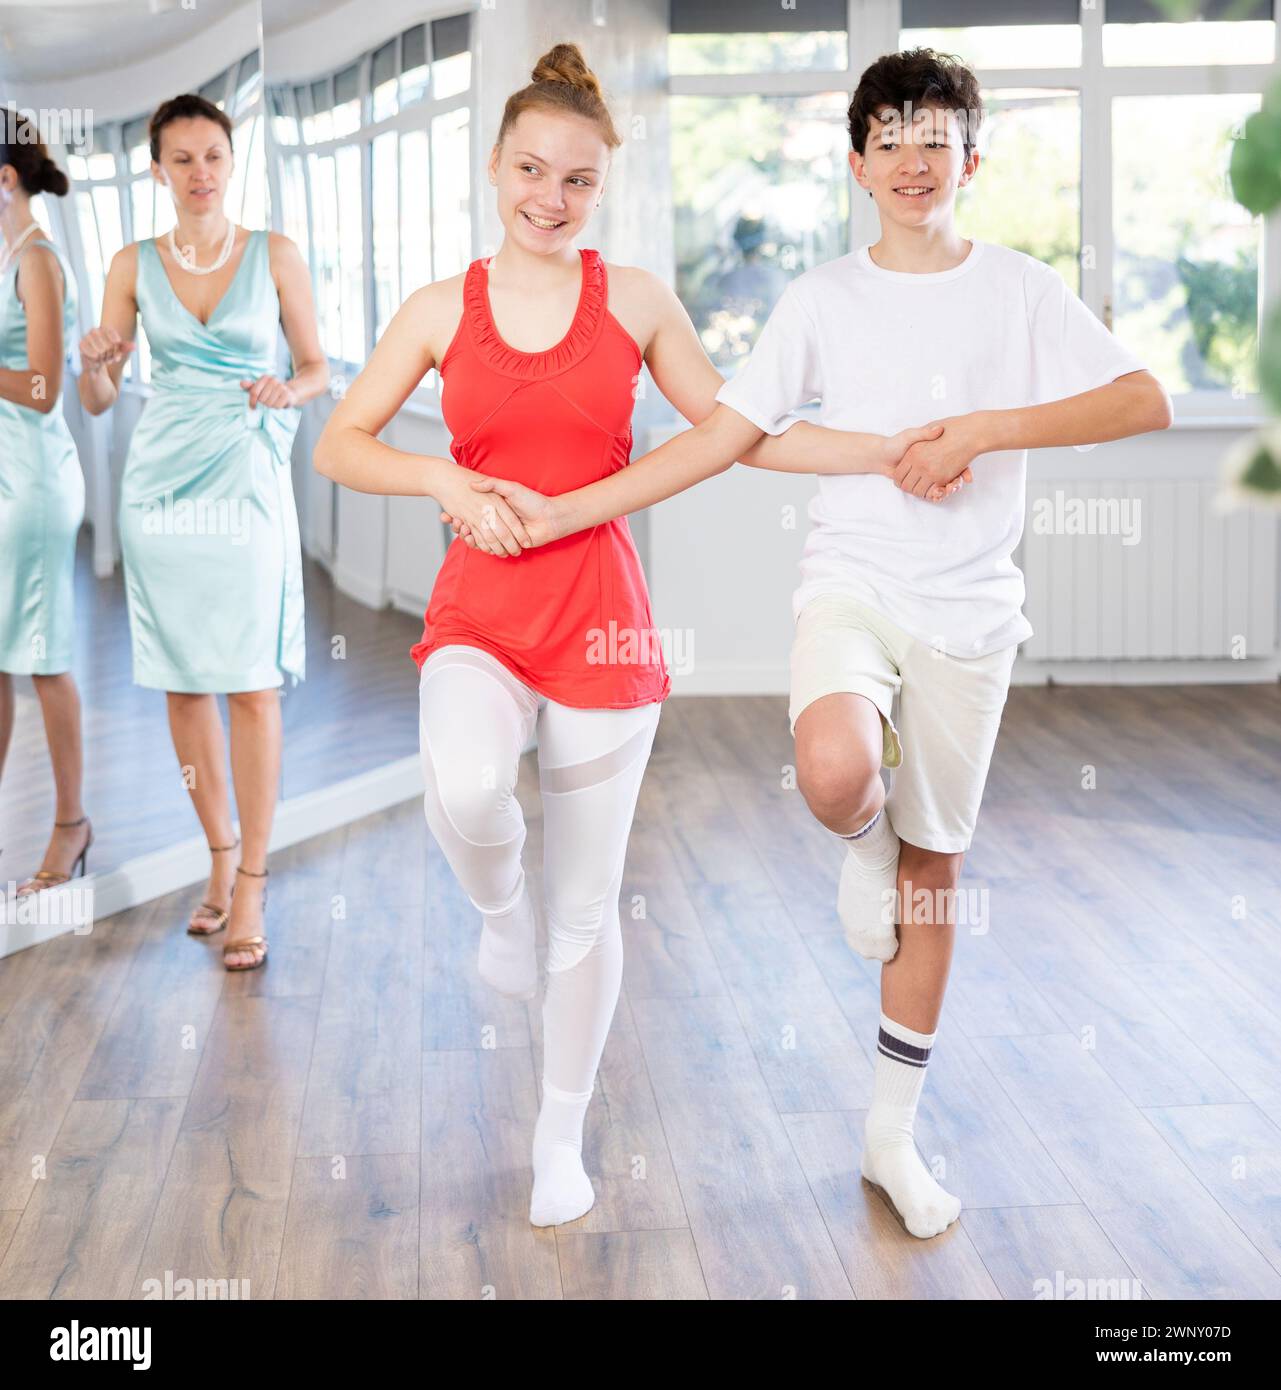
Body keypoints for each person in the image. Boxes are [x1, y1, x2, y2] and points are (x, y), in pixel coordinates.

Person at [445, 49, 1173, 1239]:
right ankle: (862, 838)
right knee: (838, 771)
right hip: (853, 585)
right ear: (855, 163)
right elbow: (723, 431)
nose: (912, 158)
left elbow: (1144, 399)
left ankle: (891, 1132)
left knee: (934, 875)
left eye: (935, 138)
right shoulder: (823, 297)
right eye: (887, 137)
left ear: (972, 160)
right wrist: (571, 509)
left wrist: (986, 428)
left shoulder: (1022, 291)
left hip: (974, 615)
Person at [314, 42, 963, 1230]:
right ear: (495, 165)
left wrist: (877, 446)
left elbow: (739, 430)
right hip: (481, 611)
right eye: (530, 170)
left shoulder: (639, 301)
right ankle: (495, 918)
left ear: (599, 191)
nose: (549, 199)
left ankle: (557, 1136)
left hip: (603, 627)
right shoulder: (436, 309)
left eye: (576, 182)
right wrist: (438, 481)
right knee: (465, 793)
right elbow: (340, 442)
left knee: (590, 904)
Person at [78, 94, 328, 969]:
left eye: (213, 155)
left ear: (233, 160)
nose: (199, 173)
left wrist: (285, 391)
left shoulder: (275, 254)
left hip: (247, 479)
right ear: (157, 170)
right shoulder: (131, 263)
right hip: (162, 490)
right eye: (180, 159)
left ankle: (254, 880)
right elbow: (101, 401)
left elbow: (317, 368)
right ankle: (217, 863)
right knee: (186, 686)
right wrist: (96, 366)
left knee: (252, 683)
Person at [0, 123, 92, 894]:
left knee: (41, 658)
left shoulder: (36, 259)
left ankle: (70, 826)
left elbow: (42, 388)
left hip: (29, 486)